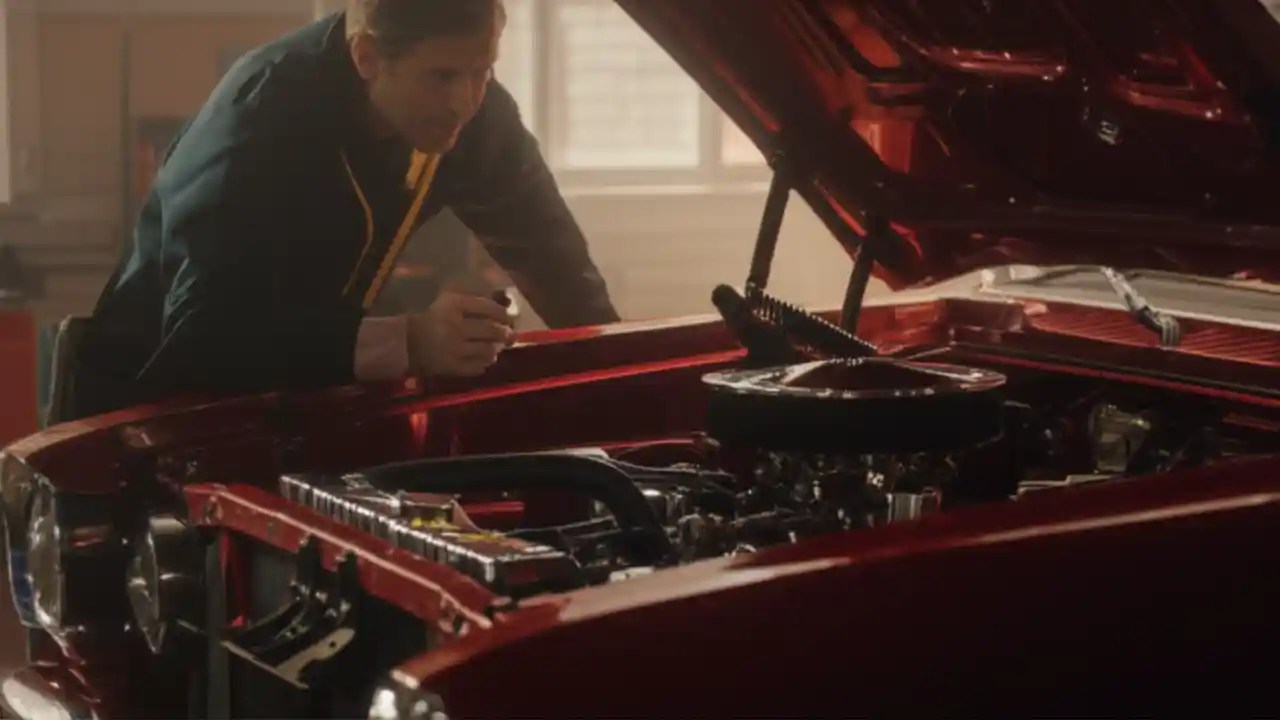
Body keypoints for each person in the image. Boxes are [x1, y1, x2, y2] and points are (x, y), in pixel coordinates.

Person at [67, 0, 618, 421]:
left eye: (484, 71)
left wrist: (620, 377)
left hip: (293, 406)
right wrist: (410, 341)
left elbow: (557, 263)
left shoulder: (474, 112)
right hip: (136, 427)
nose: (465, 103)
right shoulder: (257, 125)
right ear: (367, 57)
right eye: (441, 77)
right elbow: (205, 338)